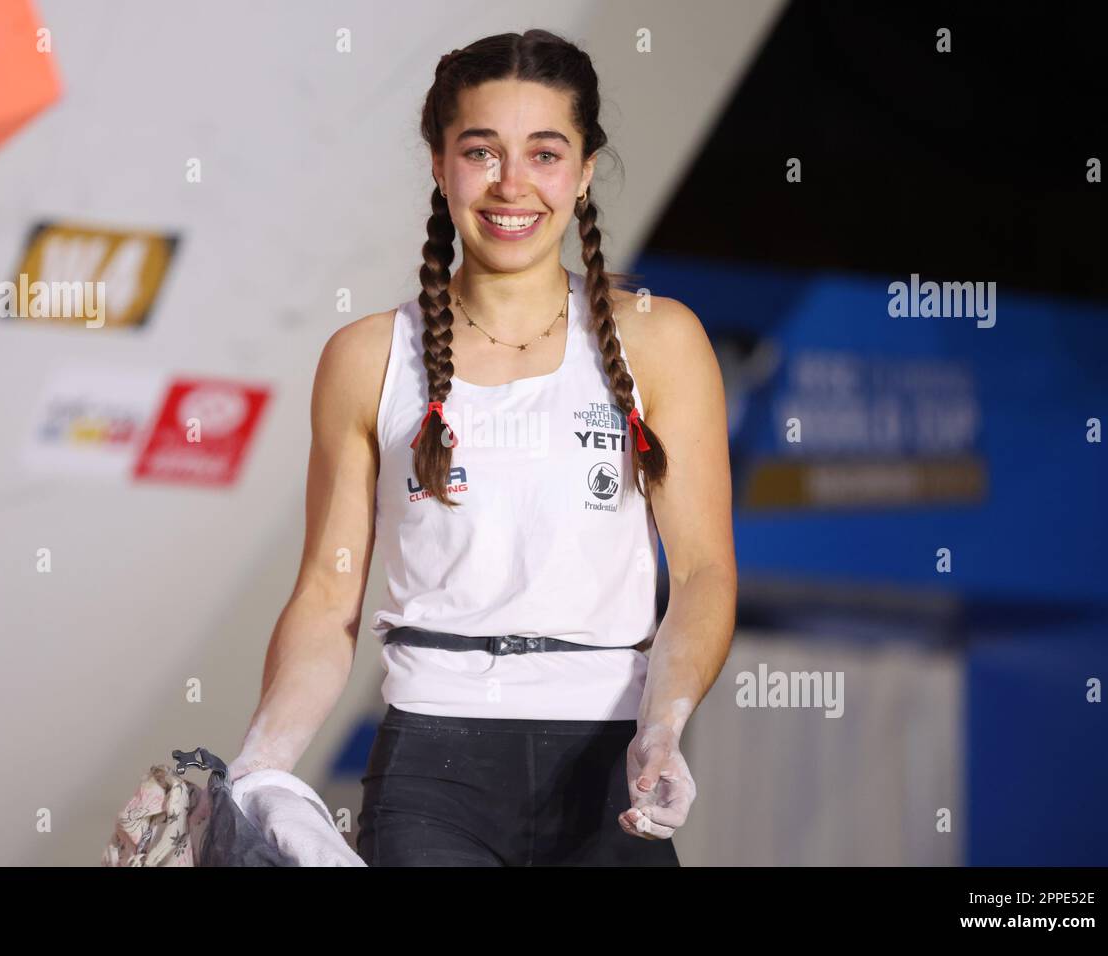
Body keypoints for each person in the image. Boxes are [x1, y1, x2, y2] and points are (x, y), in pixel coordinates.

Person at [230, 29, 736, 866]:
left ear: (582, 170)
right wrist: (259, 770)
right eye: (480, 151)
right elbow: (328, 596)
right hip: (433, 773)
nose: (512, 184)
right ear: (440, 164)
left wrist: (665, 725)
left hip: (615, 769)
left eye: (545, 152)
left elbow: (702, 576)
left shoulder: (662, 339)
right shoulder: (366, 358)